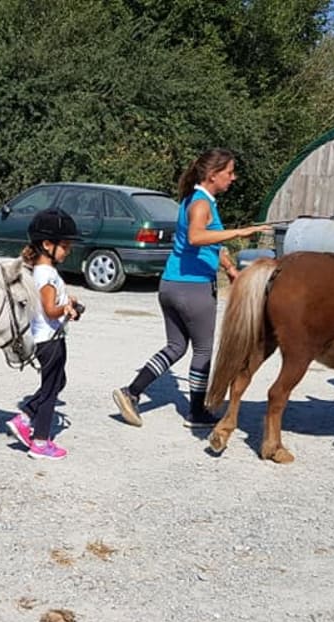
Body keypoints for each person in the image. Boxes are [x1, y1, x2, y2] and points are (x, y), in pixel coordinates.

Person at [112, 149, 271, 428]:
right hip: (193, 289)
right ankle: (197, 413)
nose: (233, 178)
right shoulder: (200, 204)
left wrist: (230, 269)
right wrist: (240, 232)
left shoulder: (195, 200)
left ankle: (131, 392)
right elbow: (198, 237)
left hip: (172, 284)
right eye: (229, 172)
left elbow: (210, 244)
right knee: (203, 351)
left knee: (175, 347)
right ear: (213, 175)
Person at [6, 208, 84, 460]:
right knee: (50, 391)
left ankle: (25, 415)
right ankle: (39, 441)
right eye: (64, 245)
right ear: (47, 244)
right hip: (50, 341)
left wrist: (66, 301)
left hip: (44, 339)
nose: (68, 250)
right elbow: (50, 310)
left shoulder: (37, 273)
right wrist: (67, 308)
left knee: (57, 382)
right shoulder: (47, 275)